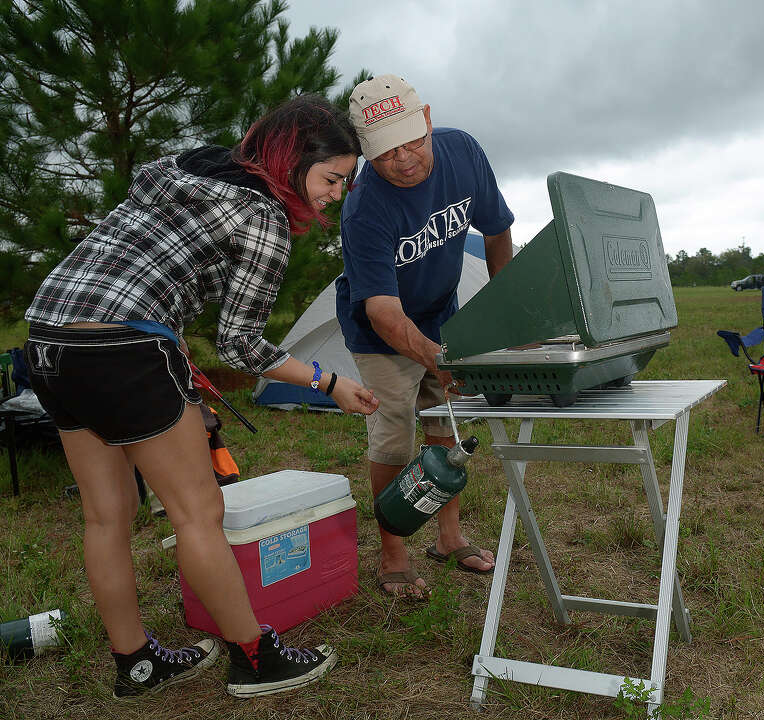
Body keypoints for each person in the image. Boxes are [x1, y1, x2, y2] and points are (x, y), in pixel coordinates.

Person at [23, 94, 379, 699]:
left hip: (48, 339)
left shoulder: (185, 167)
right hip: (123, 345)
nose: (336, 193)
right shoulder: (262, 217)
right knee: (198, 513)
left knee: (106, 516)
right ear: (293, 161)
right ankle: (256, 658)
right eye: (331, 178)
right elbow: (240, 343)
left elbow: (148, 269)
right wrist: (329, 382)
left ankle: (135, 663)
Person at [336, 74, 514, 599]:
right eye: (386, 151)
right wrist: (439, 360)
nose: (405, 157)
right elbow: (385, 313)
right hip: (379, 330)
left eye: (412, 139)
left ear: (428, 119)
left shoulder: (462, 152)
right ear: (367, 155)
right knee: (394, 431)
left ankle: (448, 536)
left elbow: (497, 229)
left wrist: (506, 312)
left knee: (447, 424)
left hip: (440, 311)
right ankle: (393, 555)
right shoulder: (364, 205)